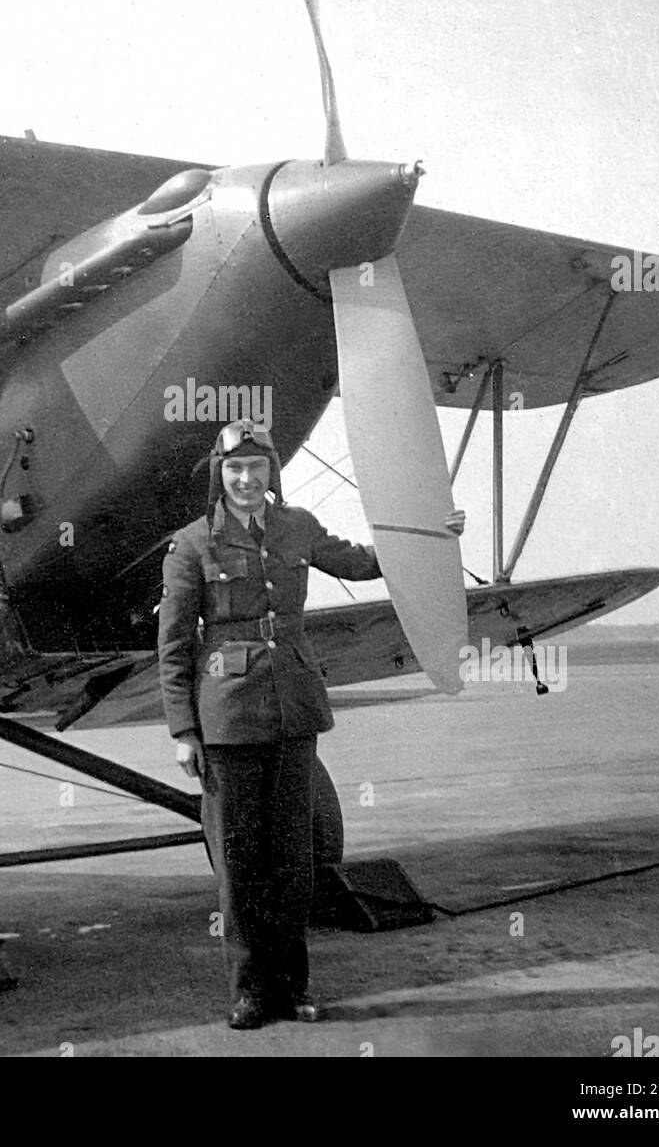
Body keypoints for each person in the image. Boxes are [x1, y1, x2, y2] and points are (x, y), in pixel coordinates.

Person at [159, 418, 464, 1030]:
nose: (247, 479)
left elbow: (358, 563)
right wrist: (183, 732)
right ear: (220, 476)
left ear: (272, 471)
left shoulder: (297, 528)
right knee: (240, 864)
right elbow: (171, 645)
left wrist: (431, 538)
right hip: (228, 717)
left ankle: (294, 986)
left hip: (294, 709)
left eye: (257, 467)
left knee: (294, 859)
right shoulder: (191, 544)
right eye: (235, 469)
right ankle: (250, 992)